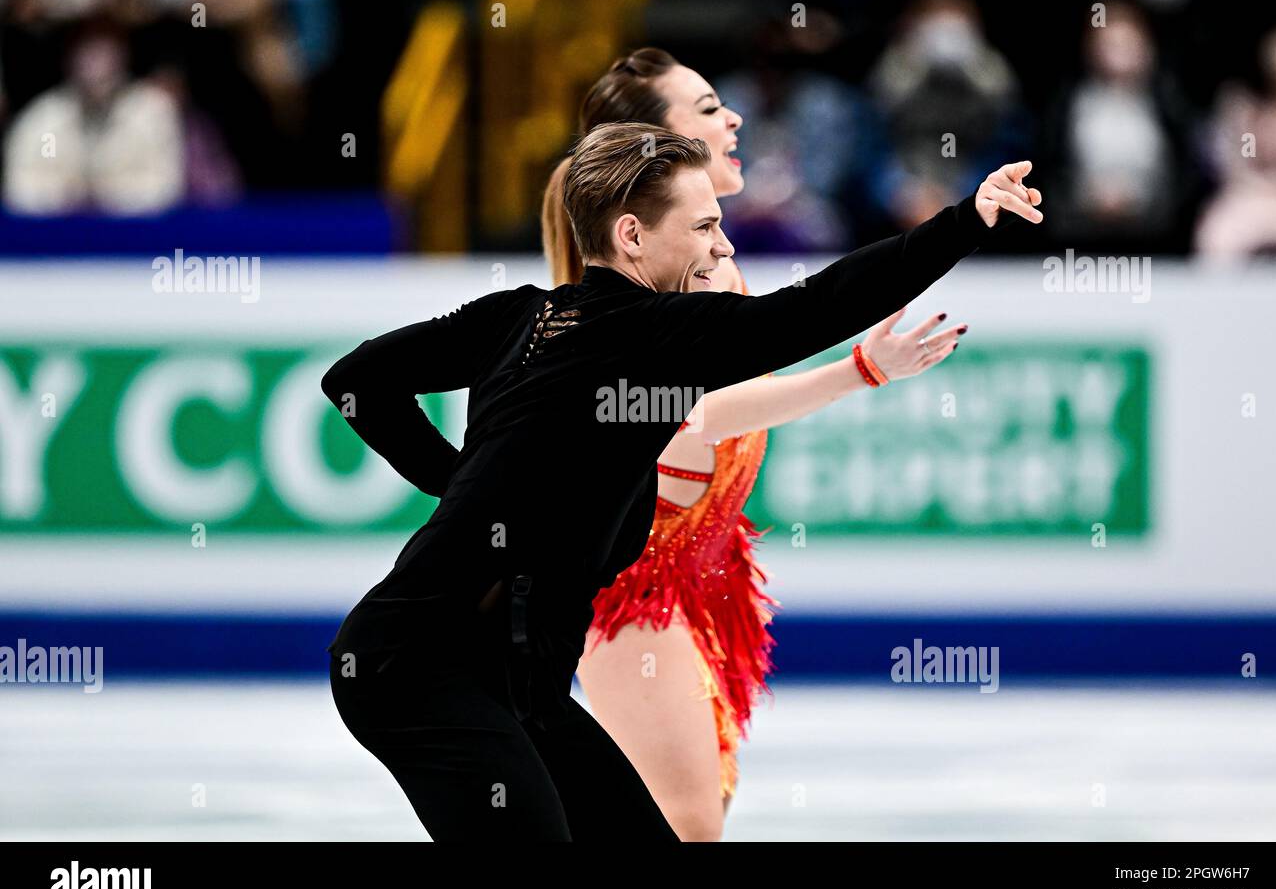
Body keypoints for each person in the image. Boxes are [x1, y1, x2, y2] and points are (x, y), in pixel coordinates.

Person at [323, 120, 1041, 841]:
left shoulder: (521, 316)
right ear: (632, 235)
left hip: (517, 686)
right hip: (419, 664)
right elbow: (820, 307)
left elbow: (359, 380)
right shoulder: (656, 333)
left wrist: (462, 494)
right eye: (704, 226)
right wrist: (965, 220)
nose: (723, 246)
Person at [541, 48, 970, 839]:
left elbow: (811, 309)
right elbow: (692, 410)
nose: (732, 117)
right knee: (685, 824)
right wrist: (861, 370)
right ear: (651, 144)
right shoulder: (644, 281)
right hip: (639, 585)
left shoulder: (710, 260)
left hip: (708, 572)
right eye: (706, 109)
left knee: (696, 816)